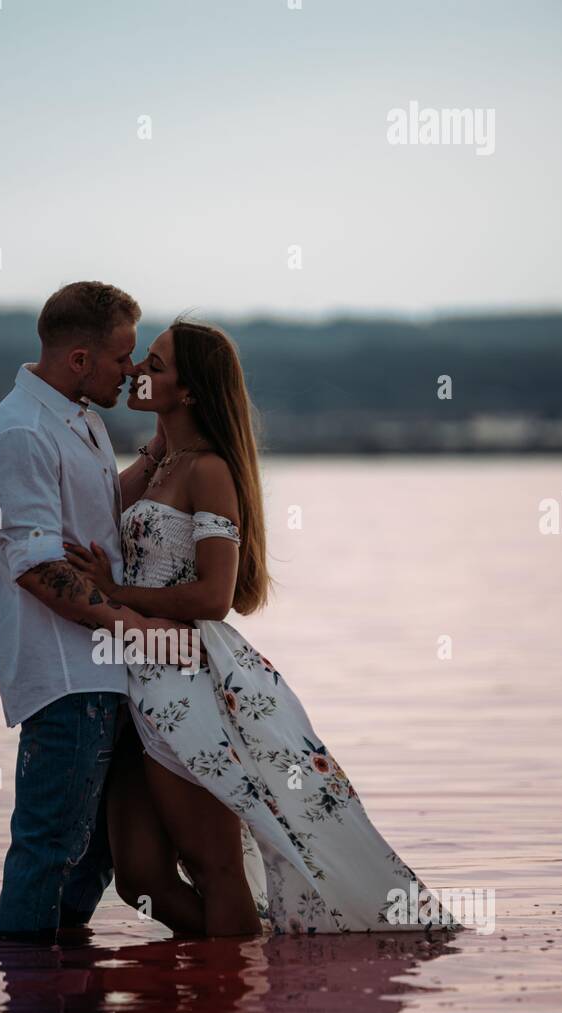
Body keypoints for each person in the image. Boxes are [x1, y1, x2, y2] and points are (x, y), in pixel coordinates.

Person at [63, 318, 461, 938]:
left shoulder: (210, 472)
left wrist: (112, 591)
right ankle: (236, 982)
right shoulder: (162, 464)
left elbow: (215, 597)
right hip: (130, 677)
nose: (140, 369)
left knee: (214, 865)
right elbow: (96, 512)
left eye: (157, 364)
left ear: (190, 390)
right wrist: (154, 443)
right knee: (140, 879)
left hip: (183, 680)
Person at [0, 282, 189, 941]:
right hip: (66, 678)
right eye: (122, 357)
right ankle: (34, 1012)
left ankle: (70, 1006)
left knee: (92, 857)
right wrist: (137, 628)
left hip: (103, 672)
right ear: (78, 359)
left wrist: (156, 450)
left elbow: (95, 513)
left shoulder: (76, 417)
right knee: (49, 852)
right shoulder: (21, 434)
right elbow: (37, 567)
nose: (131, 372)